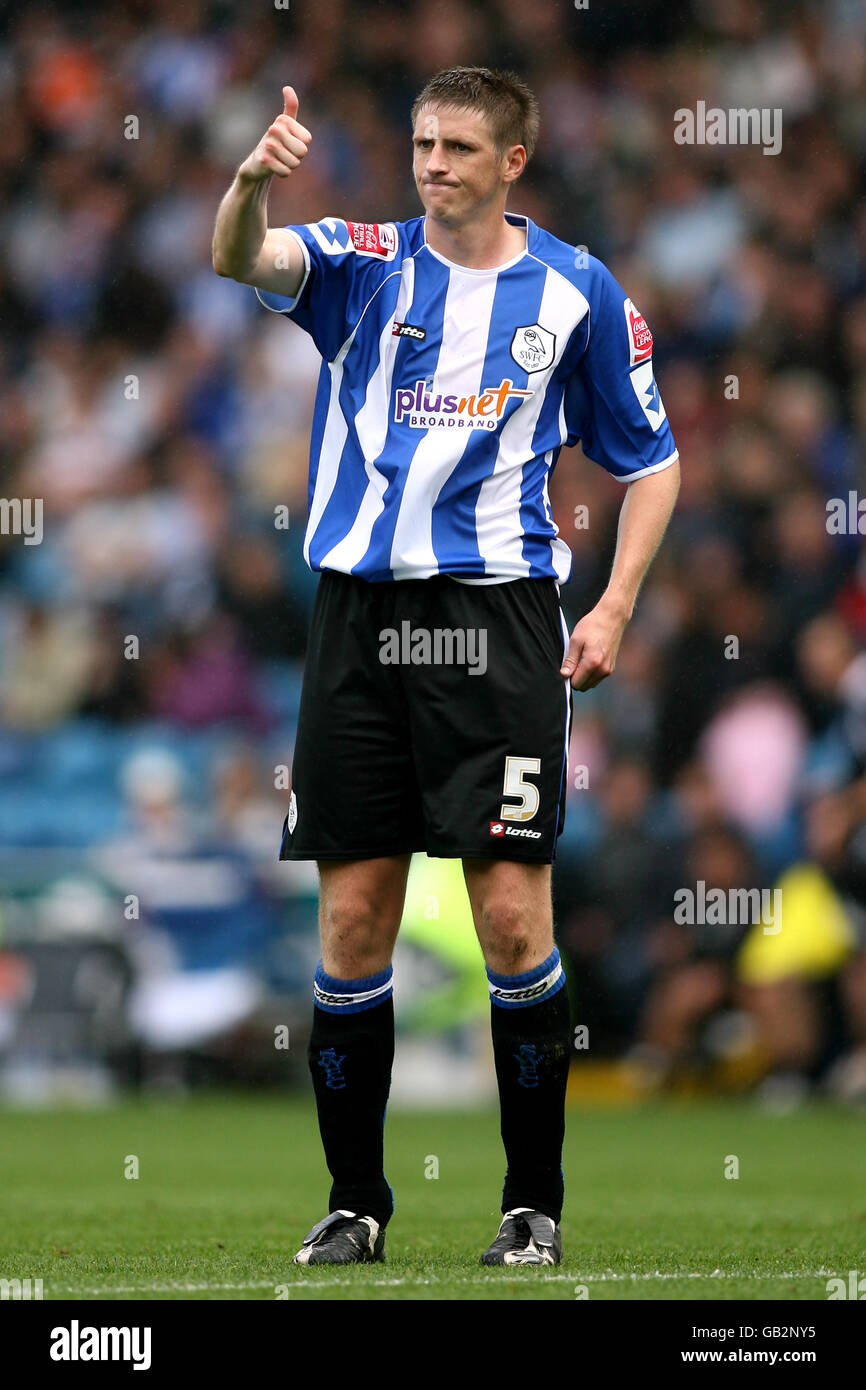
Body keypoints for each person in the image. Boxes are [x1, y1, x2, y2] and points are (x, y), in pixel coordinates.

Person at [212, 65, 680, 1267]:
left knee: (512, 913)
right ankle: (355, 1202)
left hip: (496, 625)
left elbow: (652, 460)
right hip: (358, 623)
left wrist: (616, 603)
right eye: (422, 142)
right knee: (354, 914)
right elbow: (239, 262)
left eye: (459, 146)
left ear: (511, 160)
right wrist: (250, 185)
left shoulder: (574, 292)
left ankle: (532, 1206)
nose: (432, 163)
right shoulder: (365, 261)